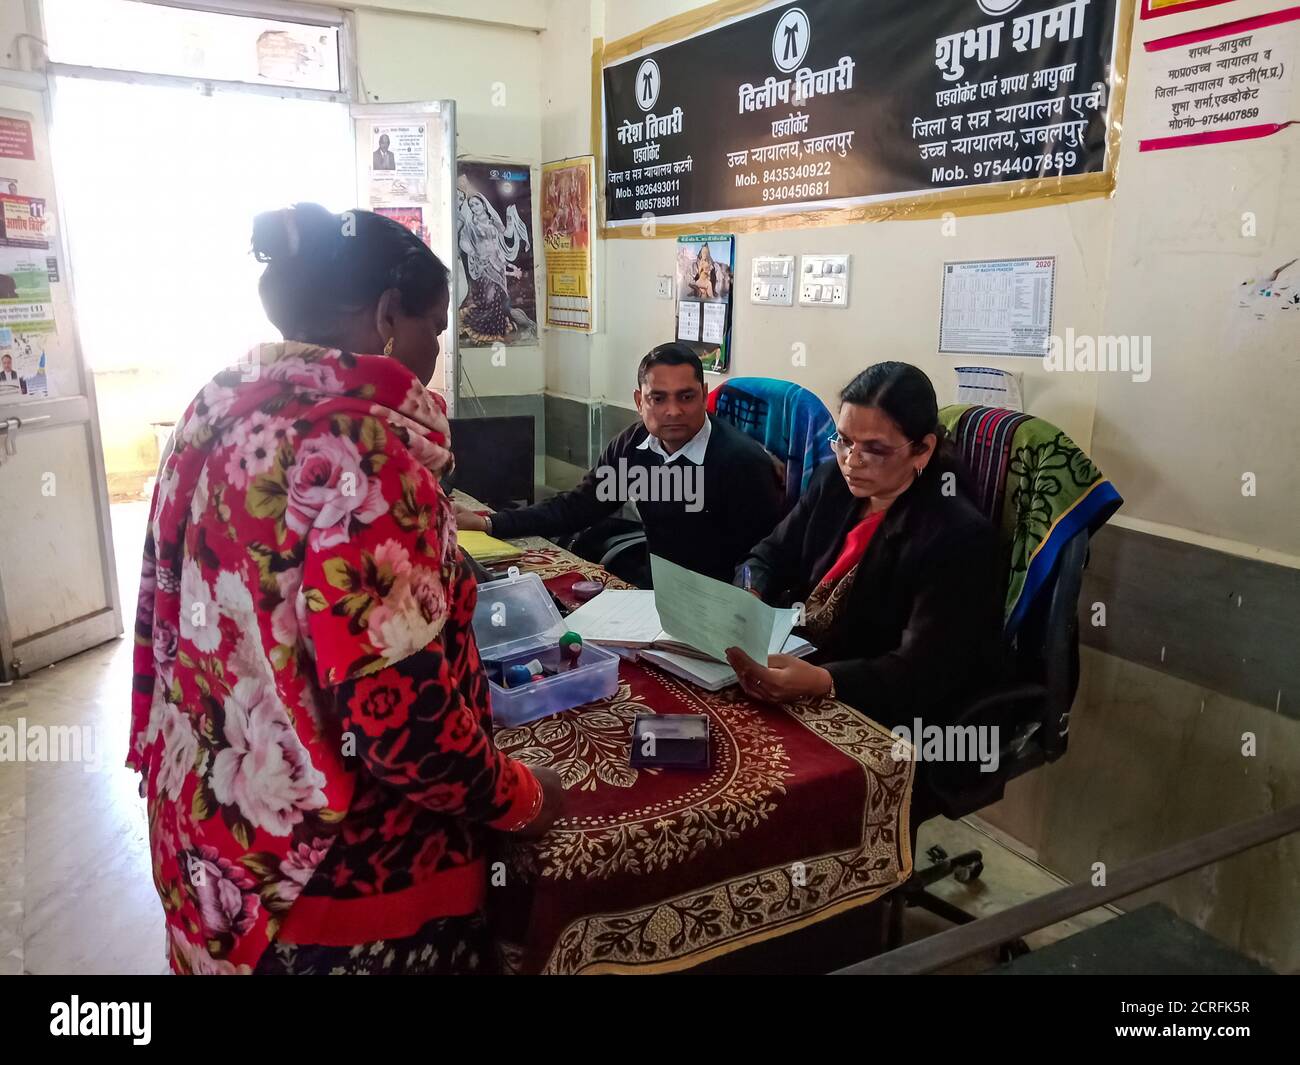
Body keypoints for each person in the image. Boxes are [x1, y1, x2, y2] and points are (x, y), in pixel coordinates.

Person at [128, 202, 562, 975]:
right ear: (388, 316)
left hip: (214, 833)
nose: (436, 352)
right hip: (341, 877)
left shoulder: (216, 413)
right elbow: (404, 728)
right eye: (434, 327)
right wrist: (523, 796)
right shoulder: (362, 450)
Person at [726, 362, 1004, 729]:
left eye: (874, 449)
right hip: (801, 656)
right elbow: (767, 555)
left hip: (885, 705)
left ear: (922, 450)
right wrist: (749, 593)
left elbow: (923, 671)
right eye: (844, 440)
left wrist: (823, 681)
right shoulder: (833, 481)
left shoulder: (959, 537)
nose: (851, 461)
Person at [456, 343, 783, 585]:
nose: (673, 411)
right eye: (658, 398)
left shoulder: (741, 463)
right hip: (655, 591)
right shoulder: (634, 446)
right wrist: (491, 524)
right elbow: (578, 507)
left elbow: (764, 560)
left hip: (719, 605)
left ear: (703, 395)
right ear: (640, 401)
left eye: (686, 397)